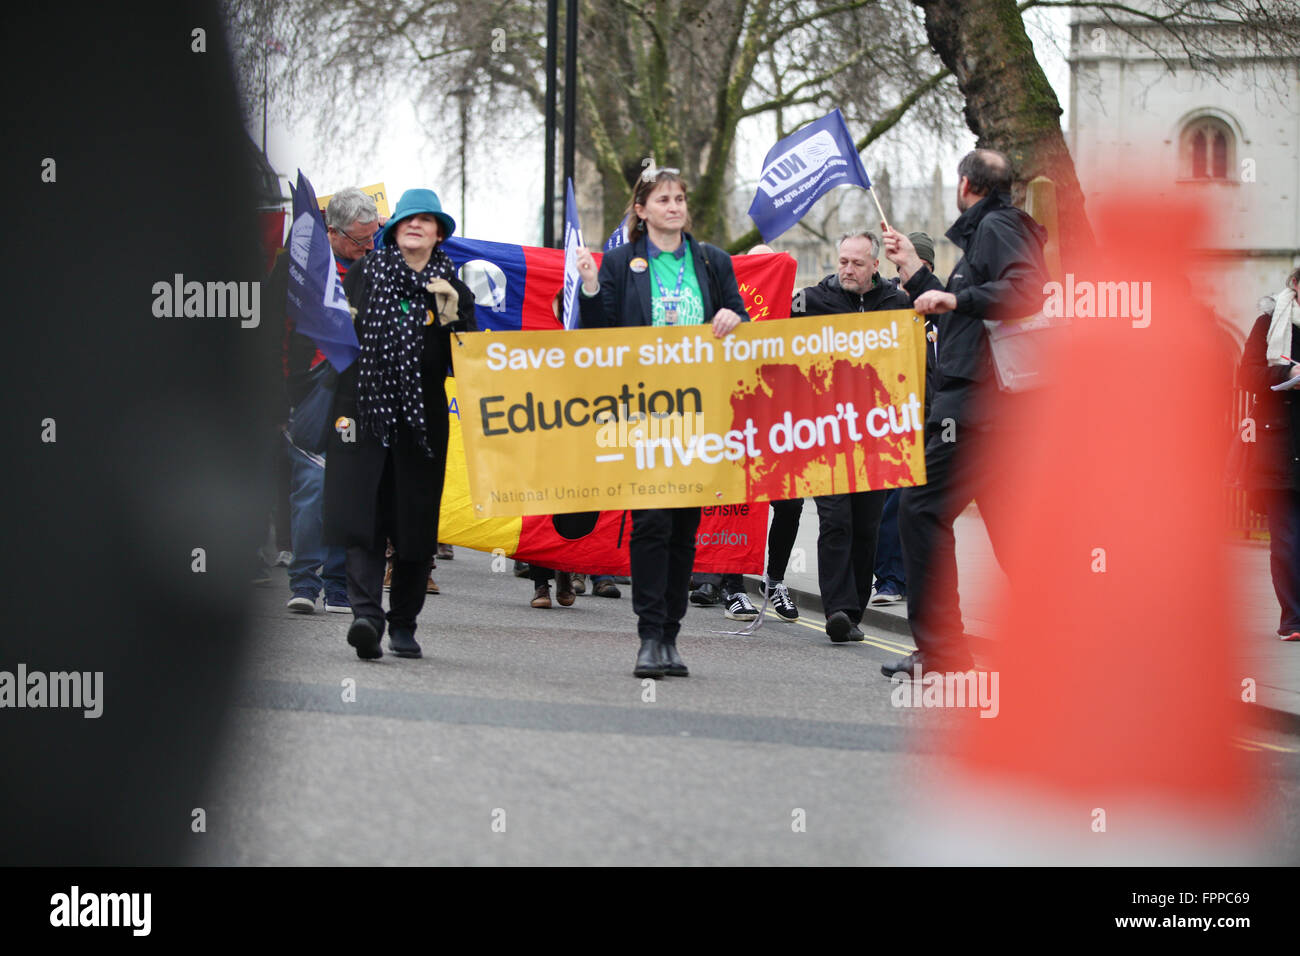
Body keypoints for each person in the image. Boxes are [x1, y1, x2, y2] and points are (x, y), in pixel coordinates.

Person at [881, 148, 1049, 677]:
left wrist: (957, 301)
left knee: (921, 510)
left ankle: (945, 653)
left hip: (978, 407)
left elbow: (1027, 289)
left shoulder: (998, 226)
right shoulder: (990, 231)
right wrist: (911, 268)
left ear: (964, 185)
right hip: (987, 407)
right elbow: (957, 312)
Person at [575, 165, 747, 678]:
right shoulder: (621, 261)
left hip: (698, 415)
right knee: (651, 521)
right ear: (642, 209)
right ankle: (649, 636)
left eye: (679, 199)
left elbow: (740, 318)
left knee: (682, 528)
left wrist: (733, 320)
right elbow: (599, 333)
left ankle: (672, 633)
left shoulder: (712, 262)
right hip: (642, 412)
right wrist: (587, 285)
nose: (674, 207)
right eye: (663, 200)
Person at [324, 188, 476, 660]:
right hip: (365, 415)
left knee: (414, 526)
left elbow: (465, 360)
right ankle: (366, 617)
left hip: (422, 424)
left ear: (438, 234)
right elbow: (338, 342)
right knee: (363, 520)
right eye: (409, 219)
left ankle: (404, 624)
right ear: (394, 230)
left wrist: (451, 315)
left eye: (426, 221)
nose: (416, 225)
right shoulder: (366, 273)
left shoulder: (452, 285)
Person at [789, 231, 913, 641]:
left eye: (857, 263)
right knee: (835, 520)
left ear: (875, 266)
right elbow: (771, 342)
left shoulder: (898, 304)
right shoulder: (811, 303)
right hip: (825, 435)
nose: (847, 269)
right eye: (843, 261)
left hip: (878, 436)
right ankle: (837, 610)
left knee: (866, 525)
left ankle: (854, 610)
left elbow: (915, 365)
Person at [267, 187, 381, 614]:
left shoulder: (374, 268)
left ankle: (338, 587)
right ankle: (303, 582)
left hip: (356, 393)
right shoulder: (296, 266)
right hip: (308, 391)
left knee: (348, 489)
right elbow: (269, 333)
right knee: (312, 488)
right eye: (360, 239)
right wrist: (279, 399)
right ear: (332, 232)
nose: (369, 246)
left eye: (374, 236)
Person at [871, 232, 937, 607]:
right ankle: (890, 579)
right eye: (905, 269)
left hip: (936, 420)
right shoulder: (890, 310)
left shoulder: (942, 311)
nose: (911, 276)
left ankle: (917, 579)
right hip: (894, 420)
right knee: (894, 501)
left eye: (921, 269)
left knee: (924, 506)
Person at [1239, 266, 1300, 641]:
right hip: (1279, 445)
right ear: (1295, 285)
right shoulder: (1269, 323)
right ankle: (1293, 619)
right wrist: (1284, 376)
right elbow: (1246, 375)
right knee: (1287, 536)